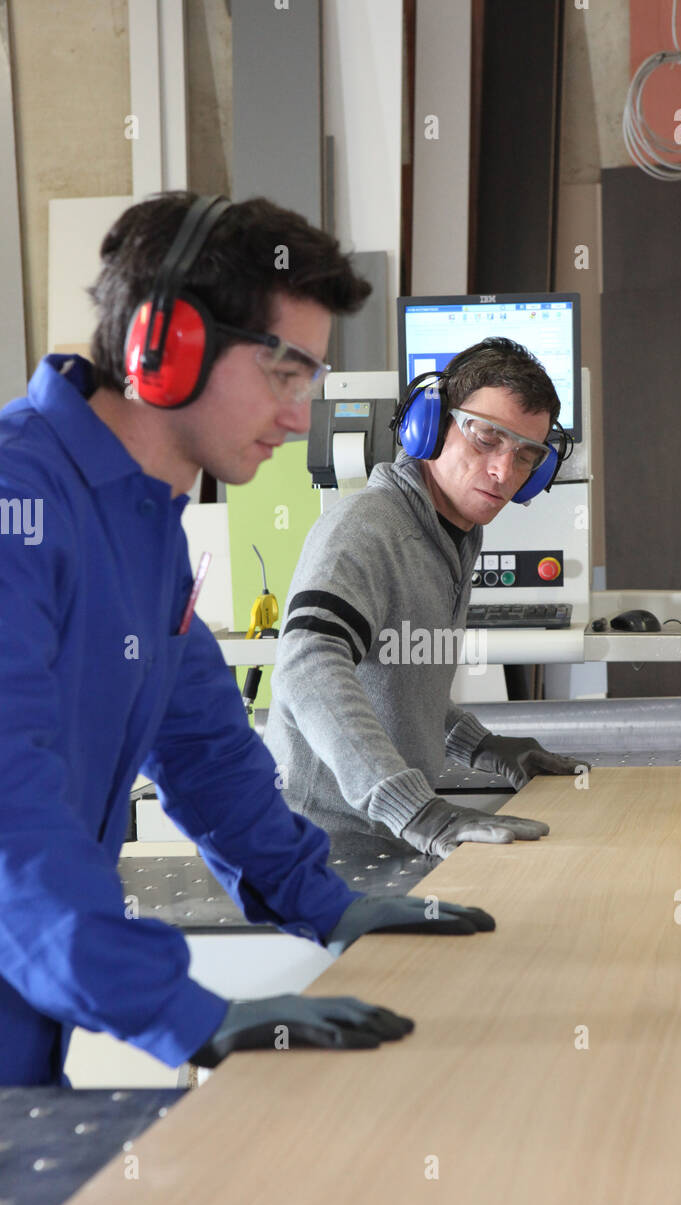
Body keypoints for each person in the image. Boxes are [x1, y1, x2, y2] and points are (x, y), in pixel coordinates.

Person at [0, 192, 494, 1087]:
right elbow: (9, 818)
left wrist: (328, 906)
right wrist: (186, 1013)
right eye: (285, 372)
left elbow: (203, 748)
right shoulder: (18, 506)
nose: (301, 415)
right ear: (168, 344)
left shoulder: (145, 524)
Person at [264, 338, 589, 861]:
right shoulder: (364, 528)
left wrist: (483, 746)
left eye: (525, 456)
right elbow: (306, 667)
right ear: (430, 426)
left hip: (383, 835)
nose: (504, 473)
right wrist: (414, 809)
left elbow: (403, 677)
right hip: (317, 844)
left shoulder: (452, 539)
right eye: (486, 439)